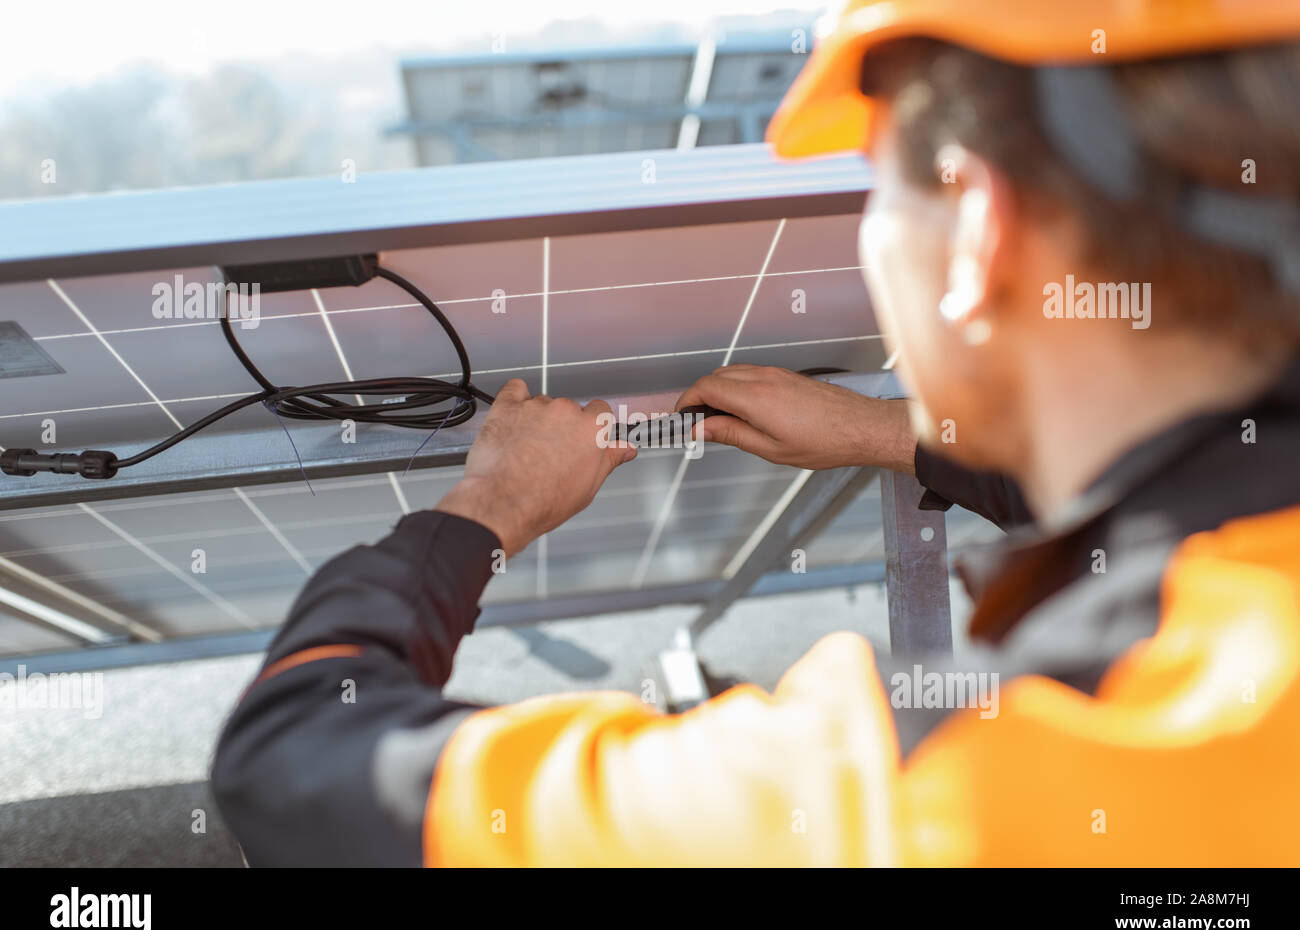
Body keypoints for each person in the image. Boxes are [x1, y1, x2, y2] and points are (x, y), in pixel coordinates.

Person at [212, 1, 1300, 865]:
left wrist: (489, 508)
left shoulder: (926, 798)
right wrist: (883, 432)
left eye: (880, 188)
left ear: (978, 228)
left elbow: (297, 765)